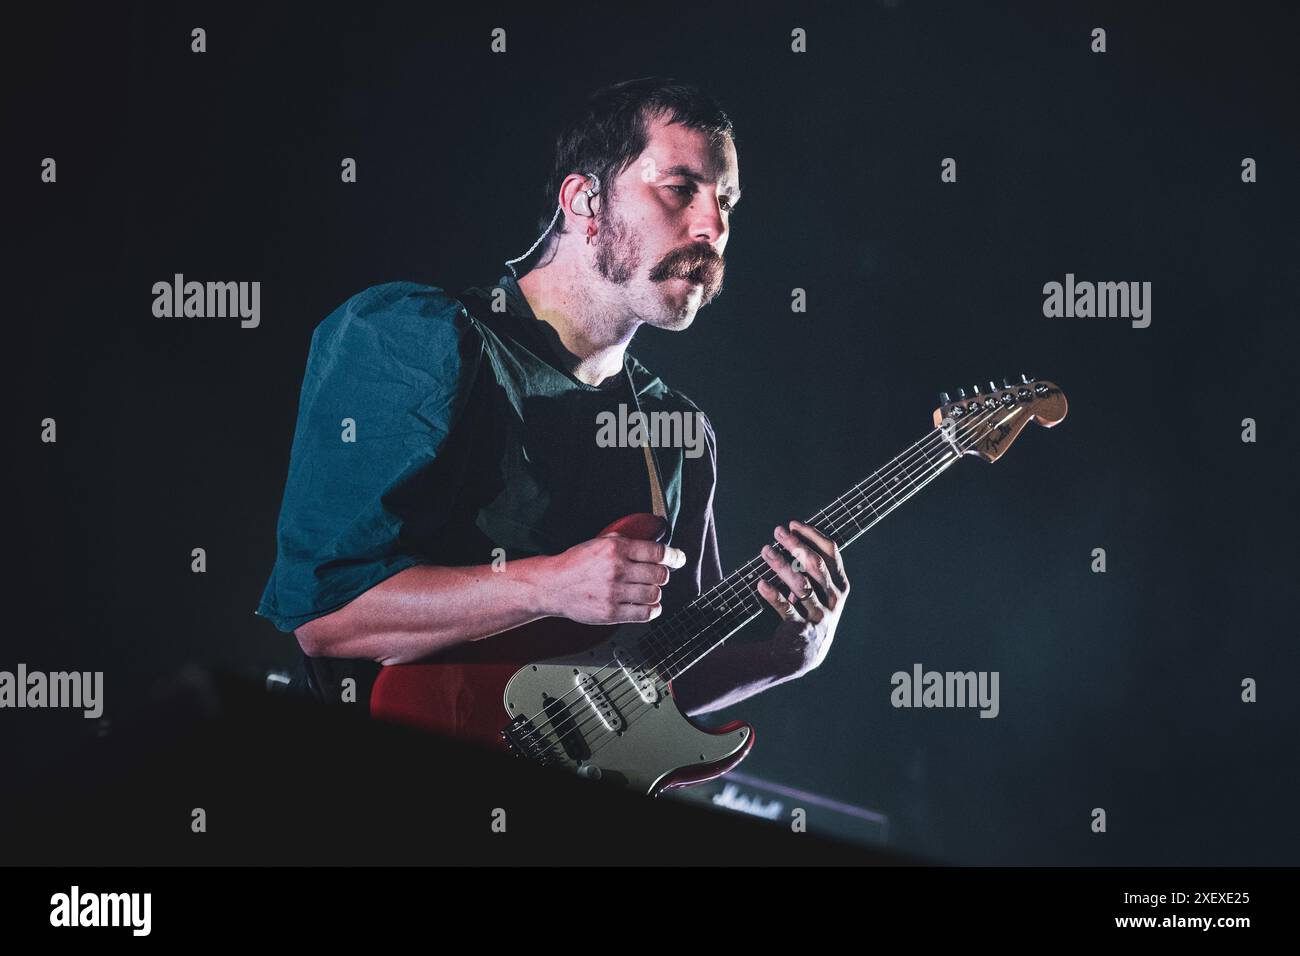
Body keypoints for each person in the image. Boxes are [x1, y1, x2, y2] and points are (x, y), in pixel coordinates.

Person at [255, 77, 851, 718]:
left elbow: (653, 689)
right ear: (584, 201)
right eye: (680, 189)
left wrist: (785, 657)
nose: (712, 226)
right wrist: (550, 585)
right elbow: (326, 616)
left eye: (726, 202)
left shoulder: (678, 430)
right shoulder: (412, 337)